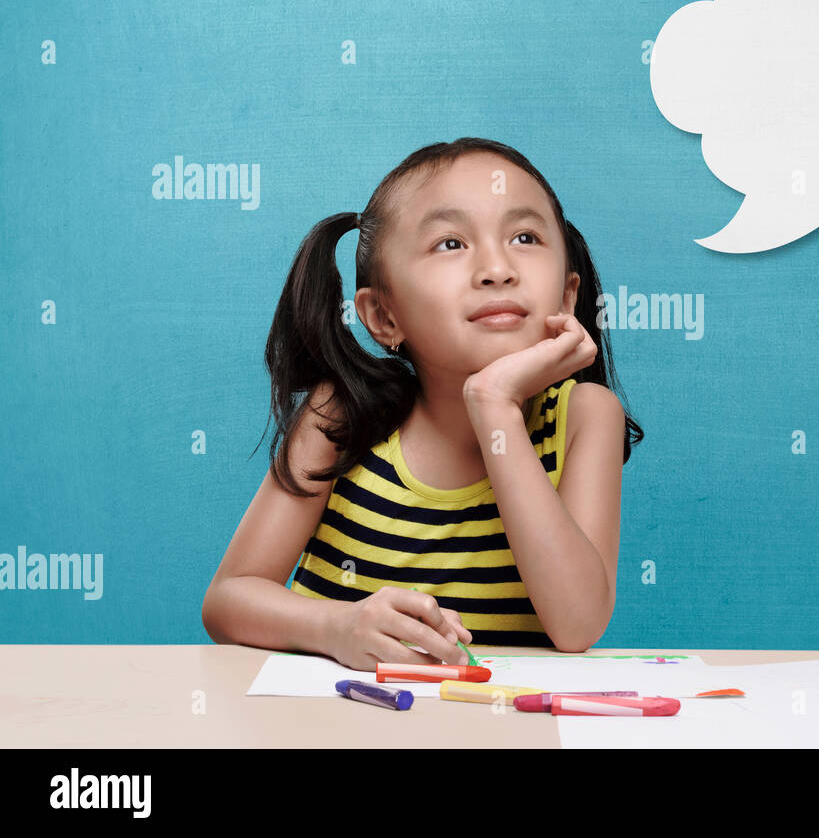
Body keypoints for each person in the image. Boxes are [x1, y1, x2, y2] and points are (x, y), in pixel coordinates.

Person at [202, 138, 643, 671]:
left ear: (568, 297)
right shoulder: (340, 416)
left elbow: (577, 625)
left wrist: (494, 405)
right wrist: (337, 627)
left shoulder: (585, 416)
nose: (497, 268)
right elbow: (228, 600)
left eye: (524, 237)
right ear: (384, 317)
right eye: (451, 244)